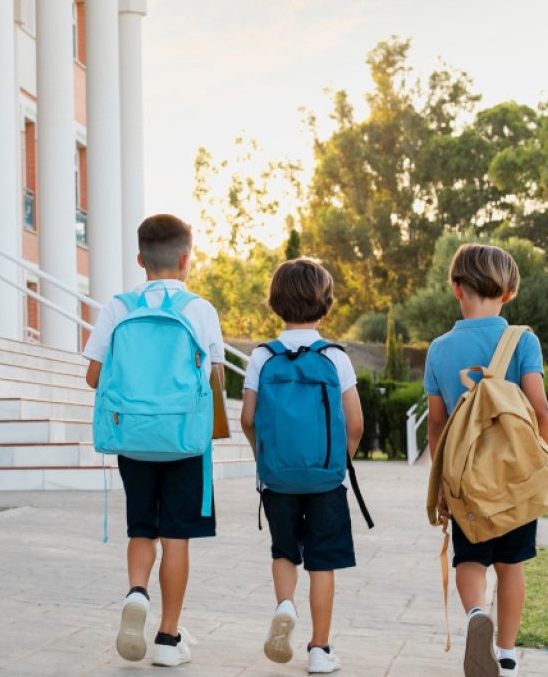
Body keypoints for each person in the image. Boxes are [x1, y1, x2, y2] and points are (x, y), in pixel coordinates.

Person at [82, 214, 226, 668]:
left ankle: (137, 592)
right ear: (186, 260)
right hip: (185, 441)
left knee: (142, 527)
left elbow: (93, 376)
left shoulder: (118, 307)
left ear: (140, 260)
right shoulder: (200, 310)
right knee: (176, 536)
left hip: (134, 438)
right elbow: (216, 381)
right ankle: (168, 636)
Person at [424, 243, 548, 677]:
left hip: (465, 477)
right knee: (511, 565)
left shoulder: (440, 348)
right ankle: (508, 655)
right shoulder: (523, 340)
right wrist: (547, 462)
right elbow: (540, 407)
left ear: (456, 288)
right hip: (516, 476)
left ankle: (477, 614)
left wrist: (442, 482)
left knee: (470, 560)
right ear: (509, 292)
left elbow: (437, 424)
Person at [240, 258, 365, 675]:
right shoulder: (335, 357)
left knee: (284, 551)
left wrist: (263, 458)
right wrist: (338, 463)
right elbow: (355, 423)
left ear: (274, 303)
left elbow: (247, 417)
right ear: (325, 304)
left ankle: (285, 605)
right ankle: (320, 649)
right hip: (327, 479)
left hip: (277, 477)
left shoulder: (262, 356)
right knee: (322, 562)